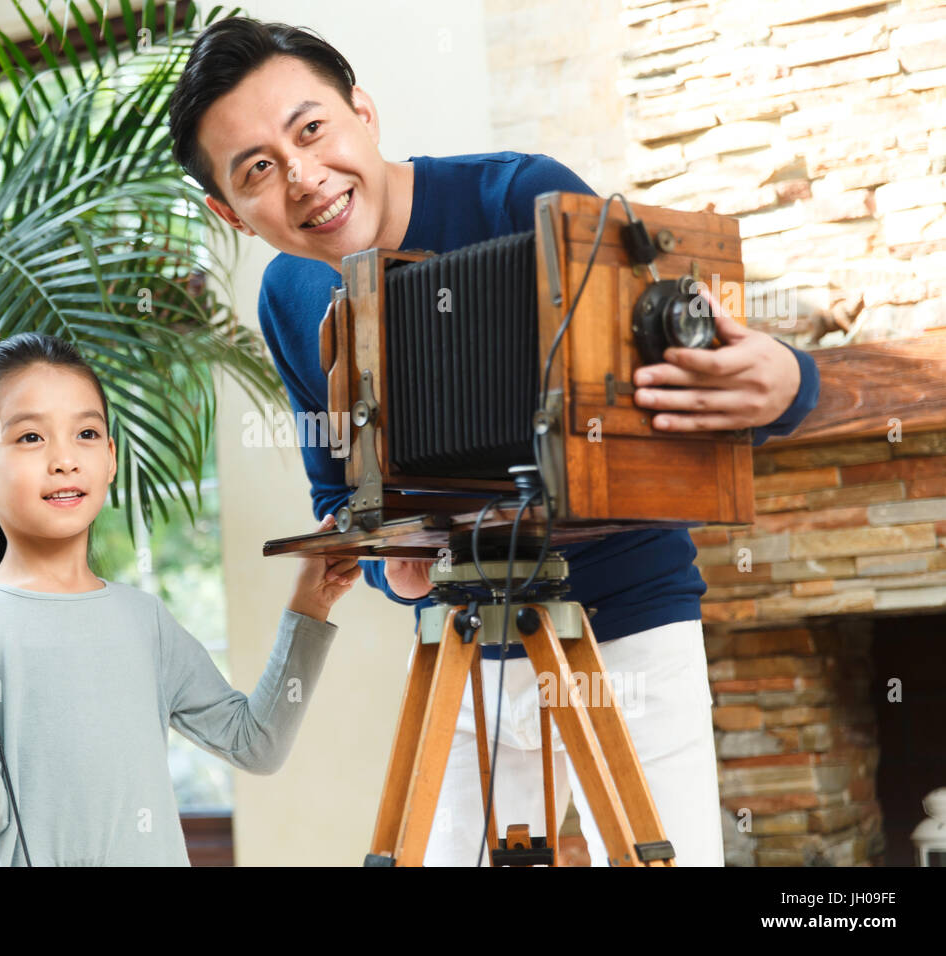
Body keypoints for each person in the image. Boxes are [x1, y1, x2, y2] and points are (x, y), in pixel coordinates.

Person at [168, 17, 821, 866]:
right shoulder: (287, 295)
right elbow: (337, 499)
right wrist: (389, 569)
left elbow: (691, 368)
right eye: (258, 169)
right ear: (232, 213)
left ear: (362, 111)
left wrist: (786, 384)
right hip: (461, 644)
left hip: (624, 628)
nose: (304, 178)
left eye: (312, 129)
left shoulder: (522, 199)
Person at [0, 331, 360, 865]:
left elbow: (256, 743)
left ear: (112, 458)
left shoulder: (144, 621)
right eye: (30, 438)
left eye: (87, 433)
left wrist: (311, 607)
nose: (65, 460)